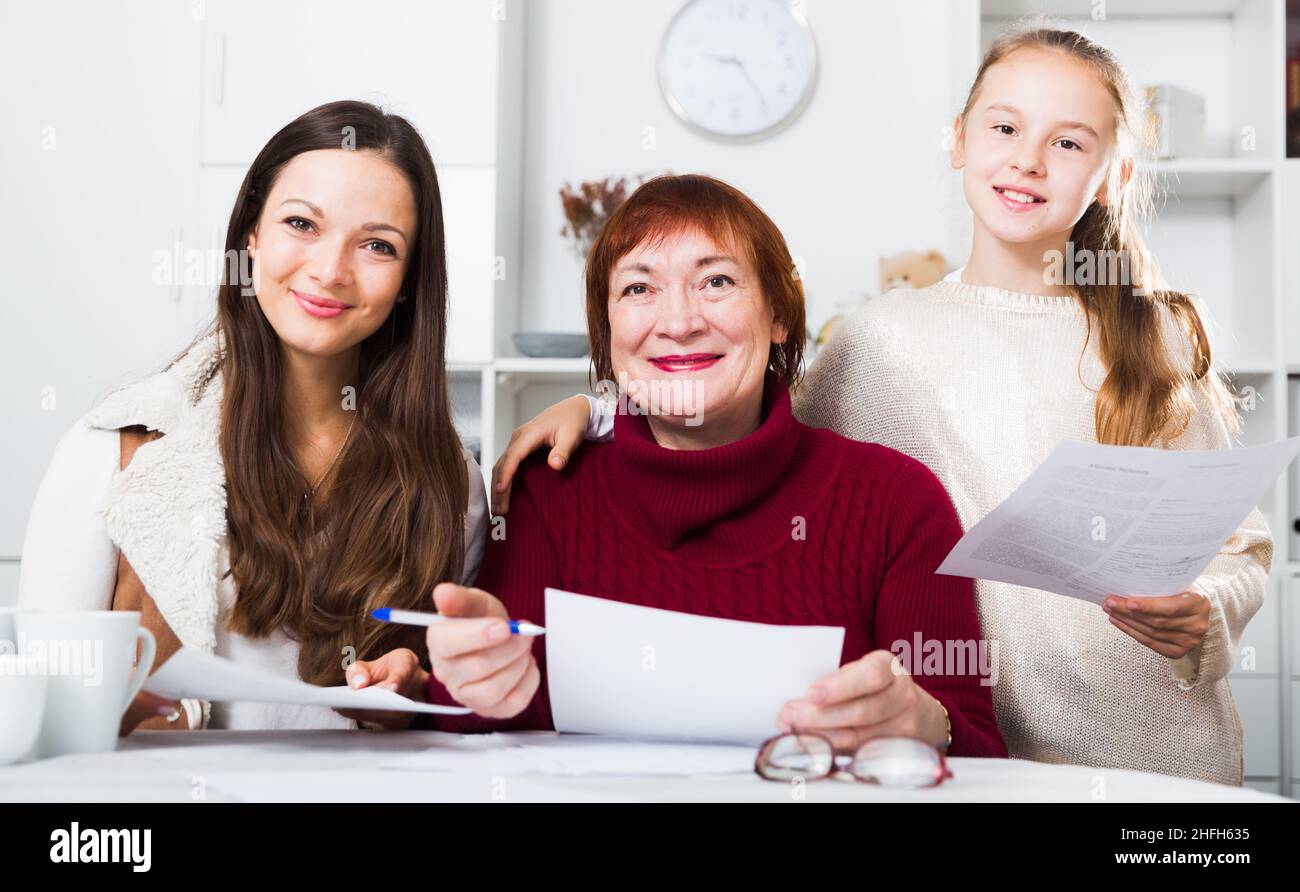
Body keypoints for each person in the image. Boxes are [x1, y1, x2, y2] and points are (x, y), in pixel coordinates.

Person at [489, 30, 1270, 785]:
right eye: (1005, 127)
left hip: (1166, 762)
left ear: (1114, 177)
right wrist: (596, 414)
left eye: (1068, 143)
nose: (1028, 159)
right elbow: (740, 412)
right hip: (995, 762)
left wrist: (1204, 610)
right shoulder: (881, 339)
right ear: (959, 139)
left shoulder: (1155, 339)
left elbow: (1241, 547)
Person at [368, 173, 1007, 756]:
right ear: (607, 330)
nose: (677, 322)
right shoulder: (544, 489)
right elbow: (495, 730)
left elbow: (979, 748)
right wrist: (444, 688)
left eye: (717, 281)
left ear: (779, 315)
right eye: (639, 288)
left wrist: (929, 723)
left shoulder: (897, 502)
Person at [18, 100, 486, 733]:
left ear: (408, 279)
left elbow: (456, 712)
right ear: (251, 236)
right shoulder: (113, 449)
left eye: (377, 245)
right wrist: (97, 710)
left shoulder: (452, 484)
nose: (329, 270)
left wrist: (416, 694)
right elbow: (37, 717)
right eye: (302, 223)